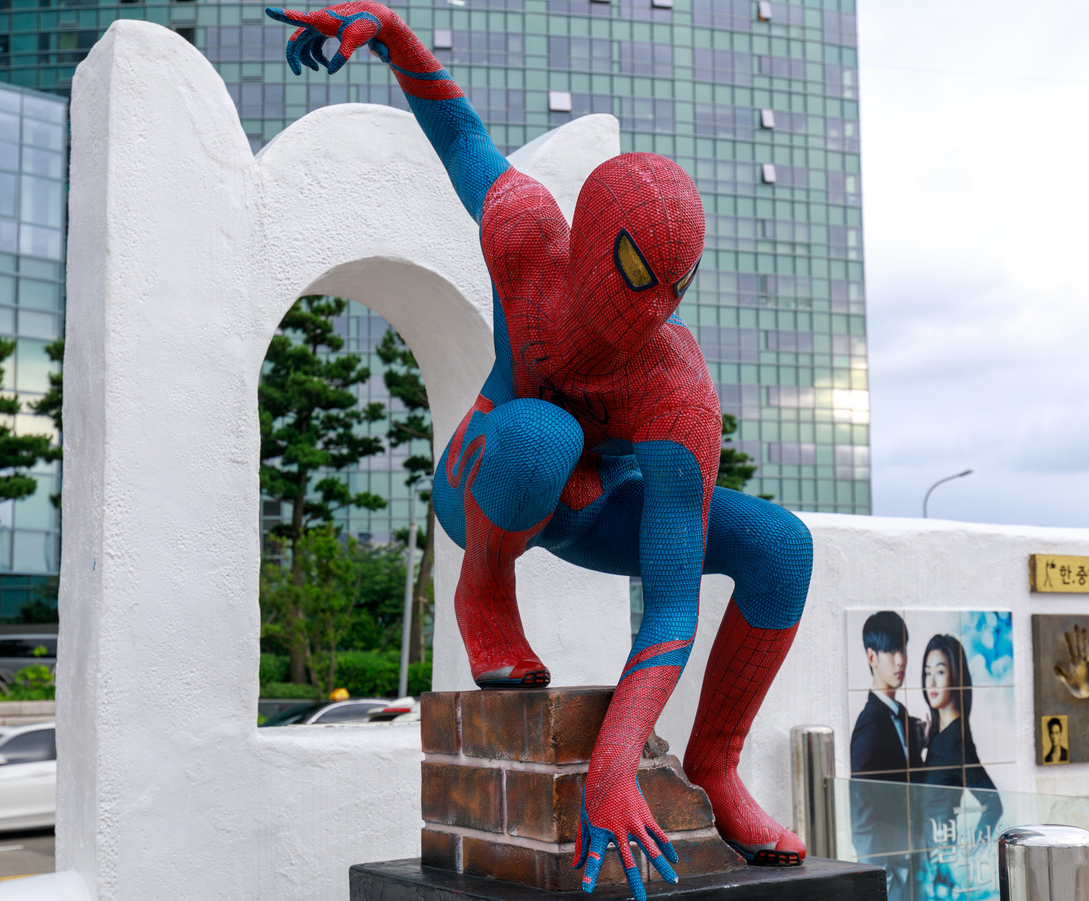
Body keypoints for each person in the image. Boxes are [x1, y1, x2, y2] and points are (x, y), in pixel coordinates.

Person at [267, 6, 814, 896]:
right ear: (593, 240)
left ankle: (716, 762)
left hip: (601, 508)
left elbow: (670, 603)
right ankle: (484, 589)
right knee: (542, 430)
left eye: (675, 289)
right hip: (488, 475)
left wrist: (615, 764)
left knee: (783, 546)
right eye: (639, 272)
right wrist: (397, 36)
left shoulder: (677, 388)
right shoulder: (524, 233)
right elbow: (459, 134)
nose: (653, 311)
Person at [915, 634, 1003, 893]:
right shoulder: (939, 735)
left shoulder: (956, 740)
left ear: (955, 676)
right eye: (927, 672)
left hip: (944, 870)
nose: (930, 681)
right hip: (932, 866)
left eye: (940, 672)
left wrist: (971, 853)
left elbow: (993, 803)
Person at [849, 611, 918, 901]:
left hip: (914, 864)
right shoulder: (869, 724)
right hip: (892, 875)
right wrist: (886, 873)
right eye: (890, 650)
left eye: (902, 648)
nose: (900, 659)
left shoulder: (901, 715)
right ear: (872, 657)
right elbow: (863, 815)